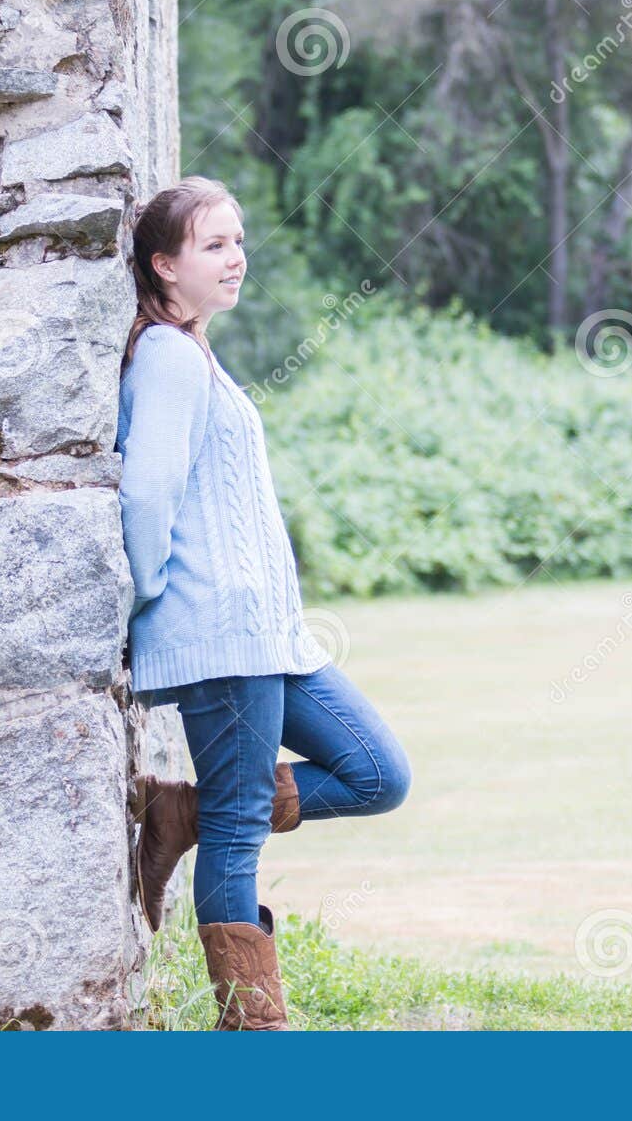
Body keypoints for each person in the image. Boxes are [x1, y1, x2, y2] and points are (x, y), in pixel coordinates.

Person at [115, 177, 412, 1030]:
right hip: (221, 632)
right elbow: (147, 492)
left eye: (238, 241)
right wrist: (150, 599)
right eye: (214, 245)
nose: (236, 257)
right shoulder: (168, 357)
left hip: (267, 637)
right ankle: (253, 1027)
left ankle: (179, 811)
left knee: (376, 773)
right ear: (164, 265)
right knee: (240, 826)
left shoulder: (194, 352)